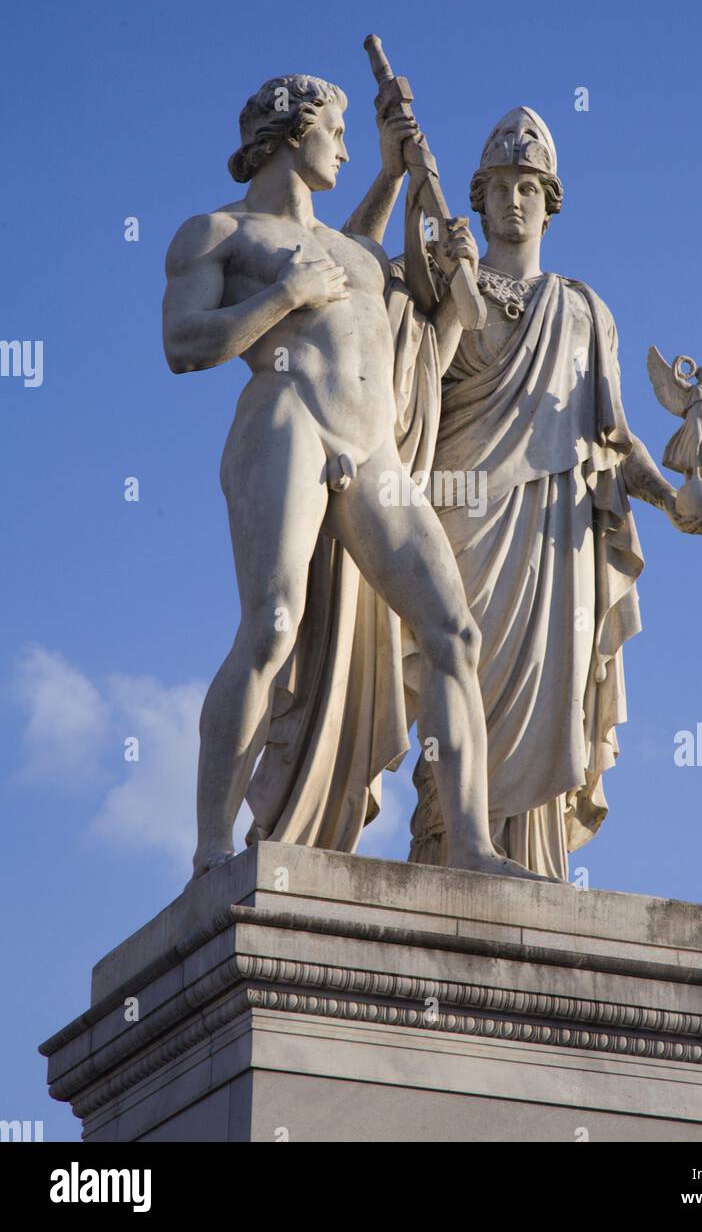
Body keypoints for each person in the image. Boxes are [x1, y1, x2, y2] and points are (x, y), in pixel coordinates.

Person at [162, 75, 542, 883]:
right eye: (333, 130)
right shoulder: (219, 234)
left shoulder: (353, 250)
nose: (342, 143)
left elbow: (384, 281)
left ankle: (472, 844)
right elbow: (185, 344)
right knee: (270, 626)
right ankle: (211, 851)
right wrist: (283, 298)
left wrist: (395, 173)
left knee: (453, 633)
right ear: (293, 133)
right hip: (287, 425)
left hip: (375, 453)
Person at [407, 108, 702, 879]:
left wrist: (669, 501)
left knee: (550, 699)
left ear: (551, 201)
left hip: (556, 531)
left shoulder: (582, 309)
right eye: (501, 186)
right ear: (476, 198)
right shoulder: (448, 289)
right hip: (461, 514)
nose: (514, 199)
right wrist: (440, 279)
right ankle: (451, 844)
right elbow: (405, 402)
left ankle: (533, 865)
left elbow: (616, 436)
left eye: (530, 187)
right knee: (459, 672)